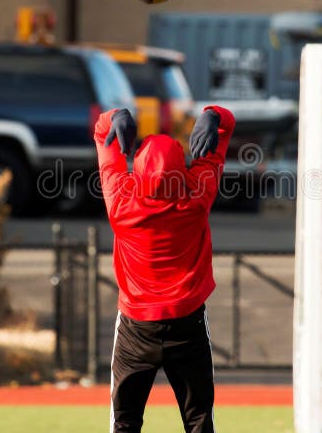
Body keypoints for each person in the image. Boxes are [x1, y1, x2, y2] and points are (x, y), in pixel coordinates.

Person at [93, 105, 235, 433]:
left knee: (124, 423)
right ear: (180, 169)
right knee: (199, 421)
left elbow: (103, 134)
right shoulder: (197, 196)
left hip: (135, 328)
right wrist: (214, 117)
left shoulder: (121, 203)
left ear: (138, 169)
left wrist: (116, 115)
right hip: (187, 323)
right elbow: (223, 131)